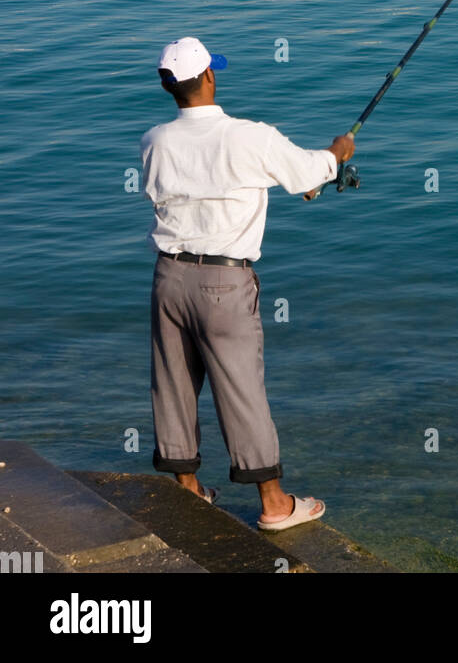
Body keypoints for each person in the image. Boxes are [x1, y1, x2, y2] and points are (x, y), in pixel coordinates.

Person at [141, 37, 356, 530]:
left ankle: (190, 491)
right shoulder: (249, 137)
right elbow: (308, 173)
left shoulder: (153, 141)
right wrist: (335, 154)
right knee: (241, 388)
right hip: (223, 283)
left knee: (171, 385)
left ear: (167, 86)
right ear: (210, 78)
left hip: (169, 277)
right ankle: (275, 504)